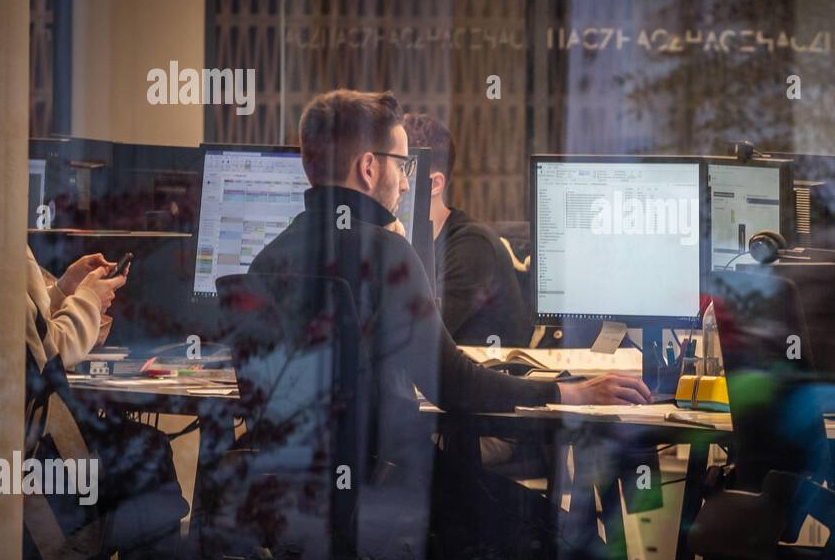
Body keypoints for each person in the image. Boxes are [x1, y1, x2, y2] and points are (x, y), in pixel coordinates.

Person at [251, 88, 649, 421]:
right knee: (542, 518)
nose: (406, 185)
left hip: (291, 498)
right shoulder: (387, 254)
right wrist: (571, 393)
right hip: (389, 491)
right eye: (402, 166)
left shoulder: (265, 262)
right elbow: (452, 384)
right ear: (369, 168)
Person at [23, 246, 187, 560]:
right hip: (22, 464)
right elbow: (44, 353)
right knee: (147, 456)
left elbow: (28, 327)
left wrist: (63, 290)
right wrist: (87, 303)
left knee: (141, 450)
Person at [402, 114, 528, 345]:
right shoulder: (405, 241)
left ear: (435, 184)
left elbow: (413, 340)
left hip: (490, 376)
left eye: (401, 170)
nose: (392, 181)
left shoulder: (473, 247)